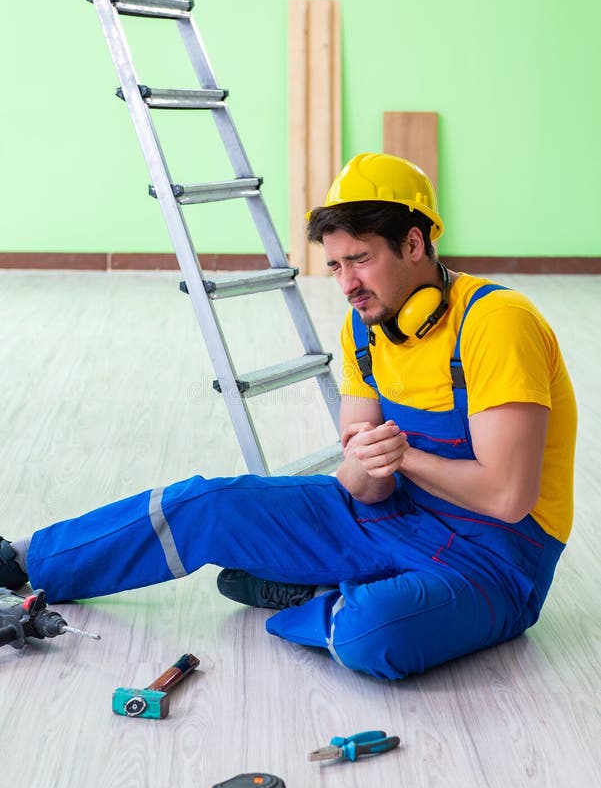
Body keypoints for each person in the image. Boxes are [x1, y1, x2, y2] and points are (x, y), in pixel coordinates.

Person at [0, 153, 577, 681]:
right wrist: (370, 466)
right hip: (391, 516)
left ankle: (318, 591)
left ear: (414, 243)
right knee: (209, 504)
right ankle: (28, 559)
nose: (348, 283)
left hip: (496, 558)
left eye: (361, 259)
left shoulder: (497, 323)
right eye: (334, 265)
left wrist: (403, 457)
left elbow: (508, 497)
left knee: (372, 633)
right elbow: (361, 489)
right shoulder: (364, 327)